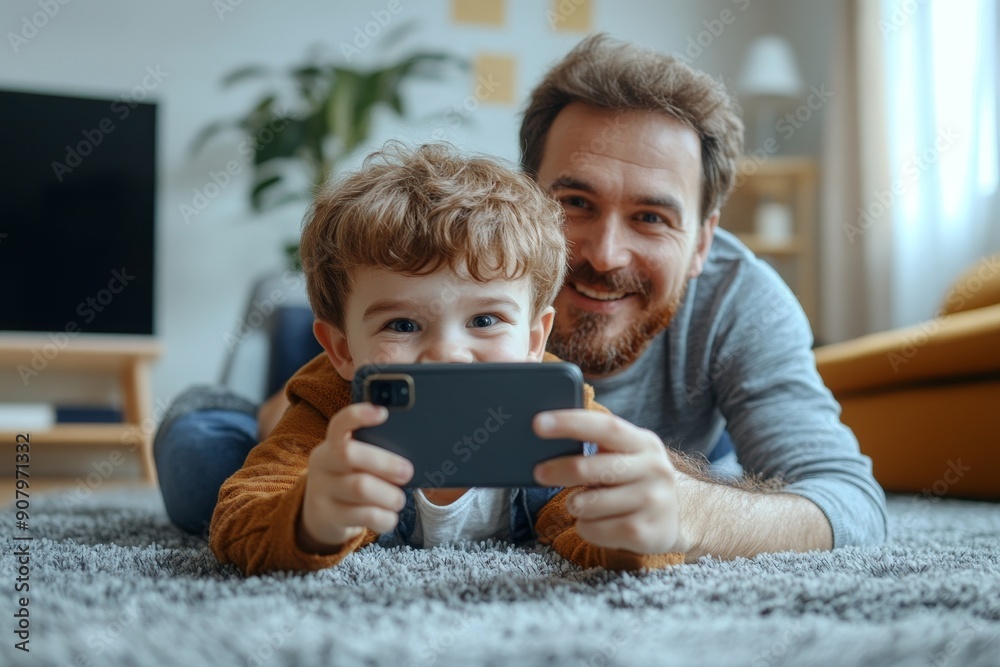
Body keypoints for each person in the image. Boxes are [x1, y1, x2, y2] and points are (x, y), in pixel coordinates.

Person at [156, 34, 886, 564]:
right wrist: (302, 467)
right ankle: (276, 387)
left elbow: (851, 504)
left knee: (717, 487)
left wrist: (691, 510)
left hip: (647, 466)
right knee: (201, 466)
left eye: (652, 217)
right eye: (574, 200)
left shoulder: (744, 301)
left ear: (702, 241)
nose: (602, 253)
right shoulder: (393, 323)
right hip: (340, 377)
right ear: (526, 197)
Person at [207, 142, 688, 575]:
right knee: (198, 461)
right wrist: (311, 519)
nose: (448, 354)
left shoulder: (564, 420)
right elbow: (237, 521)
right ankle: (232, 414)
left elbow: (603, 536)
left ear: (535, 339)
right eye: (402, 325)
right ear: (342, 349)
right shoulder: (328, 412)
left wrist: (639, 535)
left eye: (484, 321)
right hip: (290, 414)